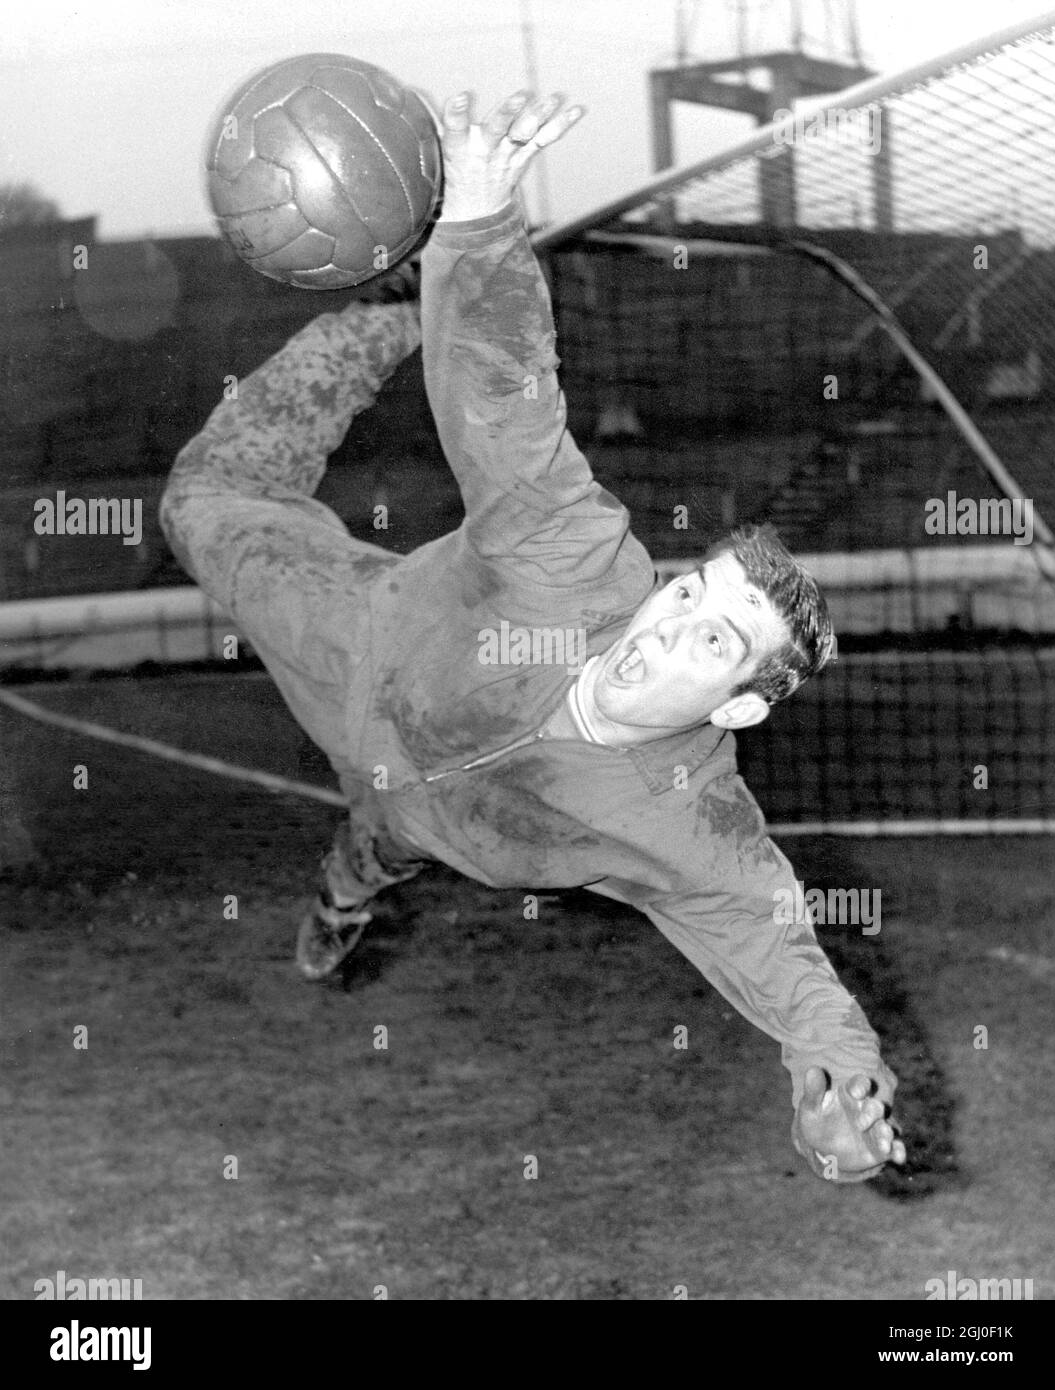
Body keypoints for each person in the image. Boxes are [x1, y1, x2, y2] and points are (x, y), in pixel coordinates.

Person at [160, 89, 906, 1184]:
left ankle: (344, 893)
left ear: (742, 704)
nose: (670, 627)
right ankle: (370, 322)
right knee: (198, 501)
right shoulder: (576, 559)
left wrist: (836, 1090)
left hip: (446, 823)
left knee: (383, 839)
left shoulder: (698, 827)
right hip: (356, 641)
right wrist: (477, 223)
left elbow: (785, 963)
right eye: (689, 595)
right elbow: (503, 405)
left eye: (716, 643)